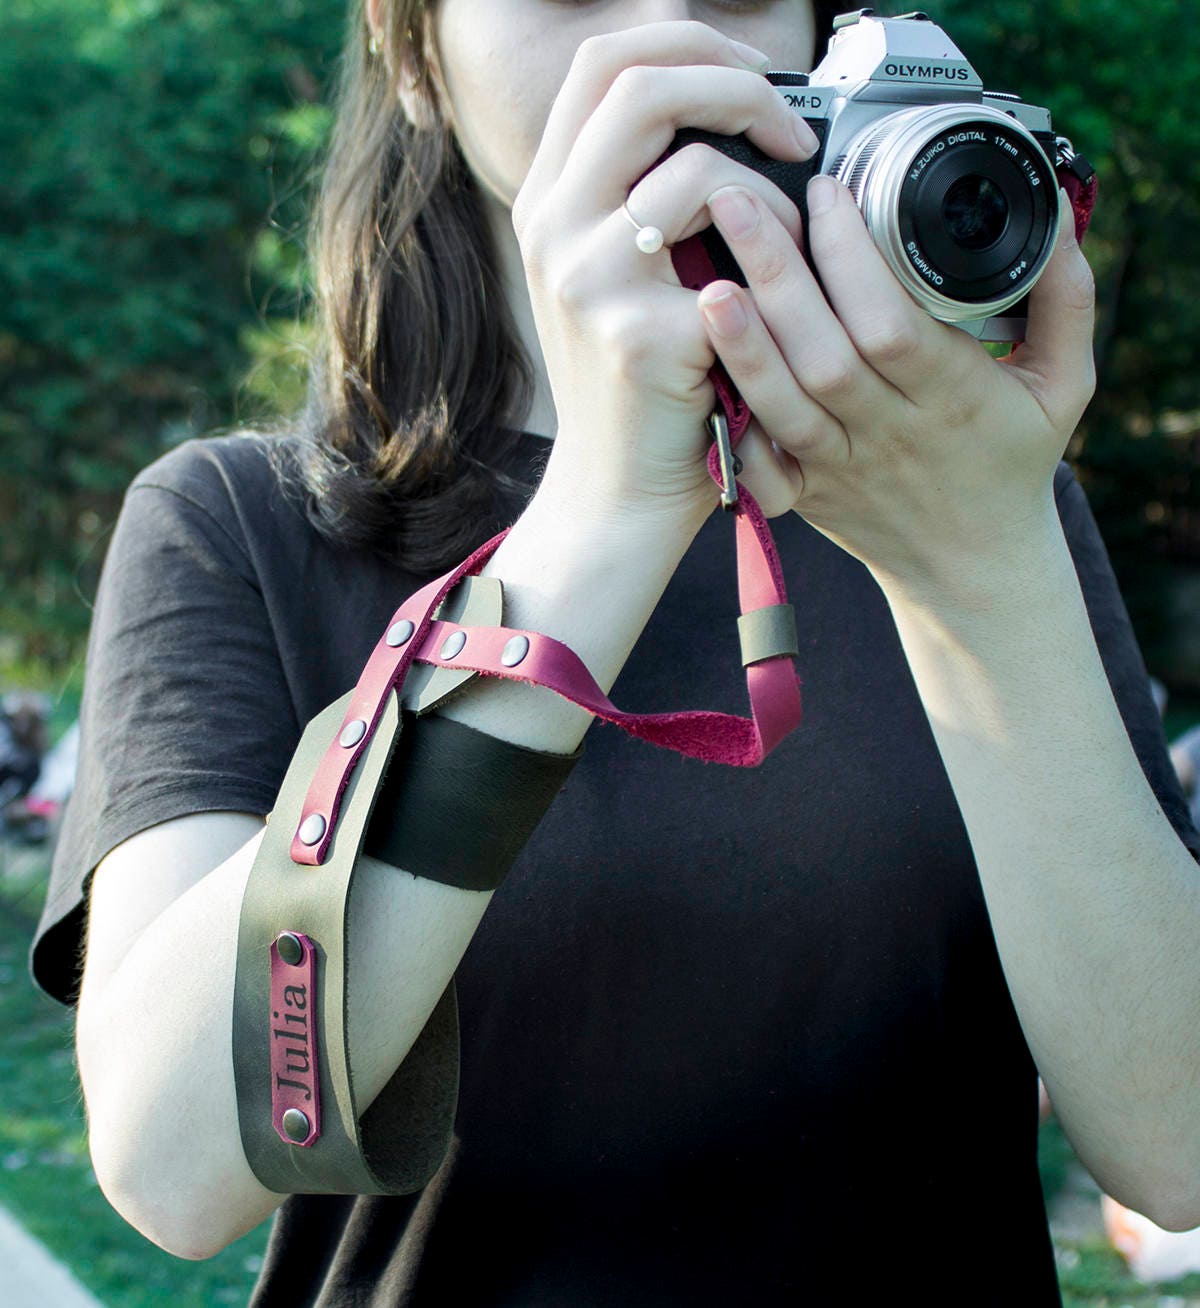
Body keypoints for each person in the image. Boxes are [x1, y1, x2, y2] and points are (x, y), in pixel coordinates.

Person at [27, 2, 1200, 1303]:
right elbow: (176, 1163)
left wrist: (986, 565)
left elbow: (1180, 1146)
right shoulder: (236, 524)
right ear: (414, 55)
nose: (666, 34)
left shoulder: (963, 485)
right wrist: (600, 511)